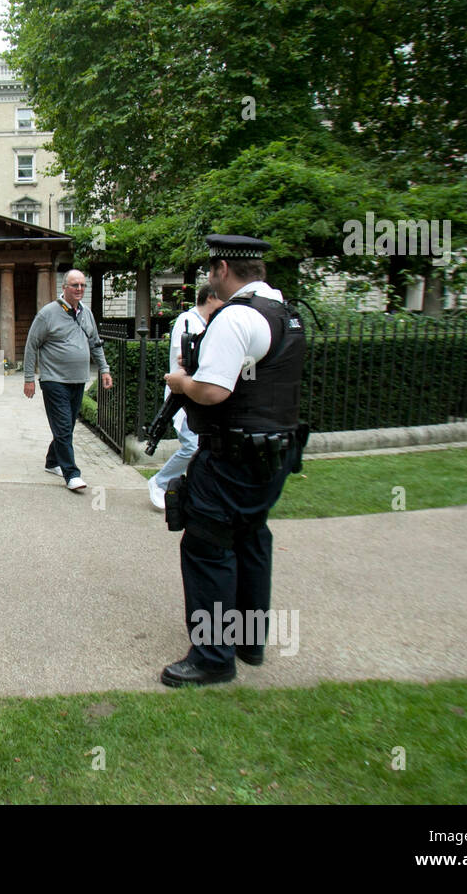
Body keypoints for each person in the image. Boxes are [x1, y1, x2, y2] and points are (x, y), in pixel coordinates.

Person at [159, 234, 307, 687]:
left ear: (223, 268)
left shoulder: (236, 318)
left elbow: (214, 390)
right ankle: (248, 641)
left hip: (233, 455)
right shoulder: (287, 313)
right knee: (251, 537)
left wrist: (179, 382)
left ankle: (212, 656)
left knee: (207, 543)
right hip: (275, 452)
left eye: (209, 270)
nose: (208, 279)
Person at [22, 269, 113, 492]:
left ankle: (53, 461)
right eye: (75, 285)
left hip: (78, 379)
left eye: (82, 285)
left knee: (67, 426)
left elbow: (95, 343)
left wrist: (104, 369)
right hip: (54, 379)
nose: (80, 289)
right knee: (63, 426)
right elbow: (31, 345)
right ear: (64, 287)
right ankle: (72, 474)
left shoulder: (86, 313)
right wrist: (28, 379)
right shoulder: (48, 313)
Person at [148, 284, 225, 509]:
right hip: (182, 397)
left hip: (199, 395)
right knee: (192, 445)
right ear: (210, 298)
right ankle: (160, 481)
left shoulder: (211, 323)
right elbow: (183, 358)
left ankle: (194, 489)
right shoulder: (187, 320)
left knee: (201, 446)